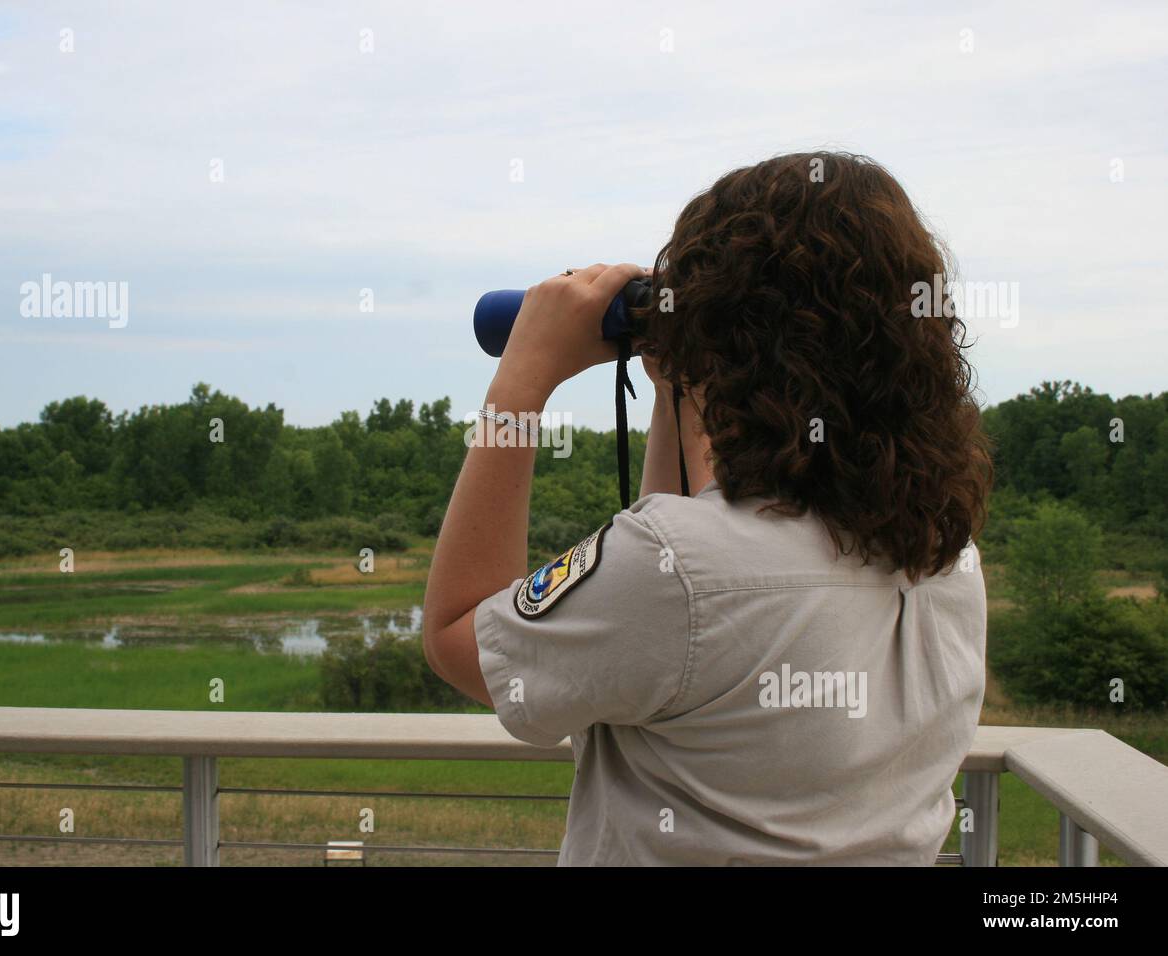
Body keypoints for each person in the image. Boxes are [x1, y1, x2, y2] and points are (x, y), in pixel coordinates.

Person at [421, 151, 993, 866]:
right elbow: (683, 575)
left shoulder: (686, 577)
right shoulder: (948, 558)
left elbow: (456, 635)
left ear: (728, 340)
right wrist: (673, 391)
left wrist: (523, 378)